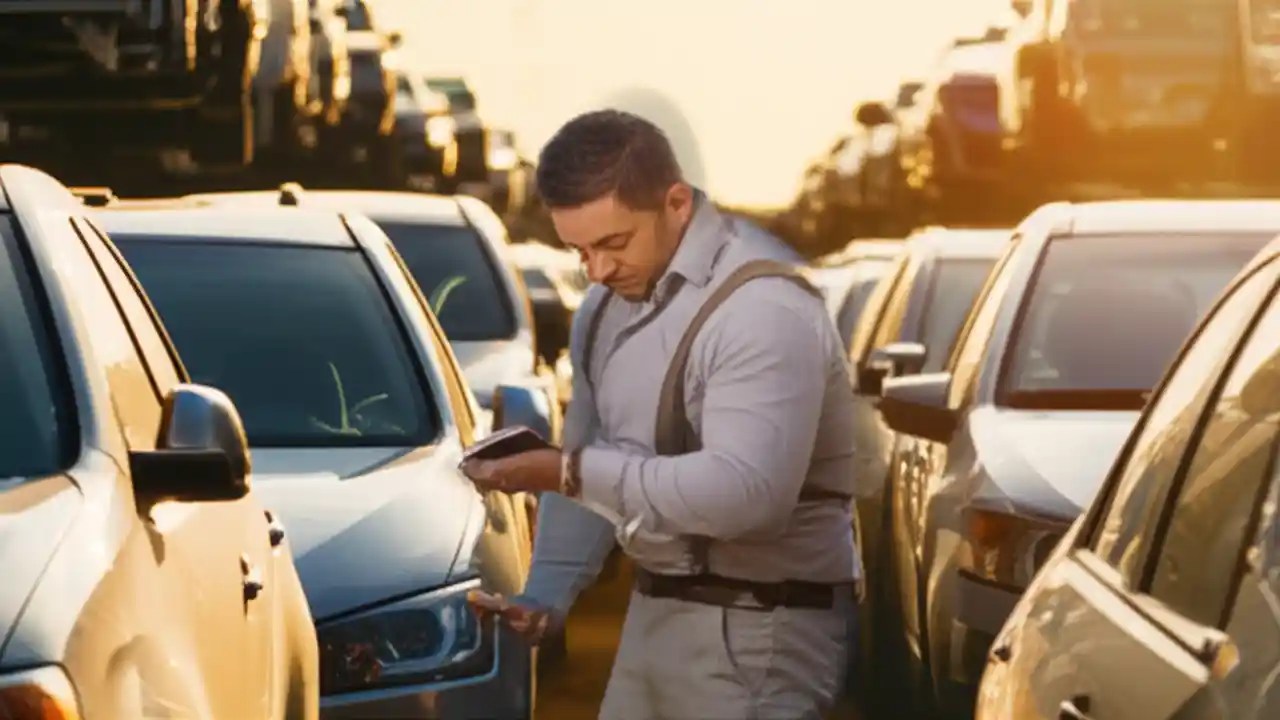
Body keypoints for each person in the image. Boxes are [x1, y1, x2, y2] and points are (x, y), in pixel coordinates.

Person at [461, 109, 860, 719]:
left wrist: (565, 471)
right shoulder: (603, 307)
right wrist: (545, 597)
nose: (597, 270)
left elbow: (745, 495)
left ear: (677, 203)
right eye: (580, 251)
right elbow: (592, 452)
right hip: (654, 613)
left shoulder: (763, 307)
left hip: (762, 628)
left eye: (613, 244)